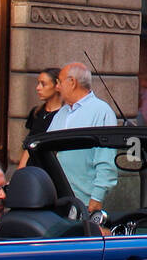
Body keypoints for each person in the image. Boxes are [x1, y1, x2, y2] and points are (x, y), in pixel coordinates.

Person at [48, 62, 118, 211]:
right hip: (59, 198)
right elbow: (48, 149)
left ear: (72, 82)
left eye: (59, 82)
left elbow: (106, 159)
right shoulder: (61, 113)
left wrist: (97, 197)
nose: (57, 87)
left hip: (85, 201)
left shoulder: (101, 112)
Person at [17, 67, 64, 168]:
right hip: (31, 167)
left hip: (50, 168)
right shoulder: (37, 112)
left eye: (43, 84)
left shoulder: (64, 114)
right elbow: (29, 145)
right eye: (38, 83)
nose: (38, 88)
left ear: (57, 85)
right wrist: (20, 170)